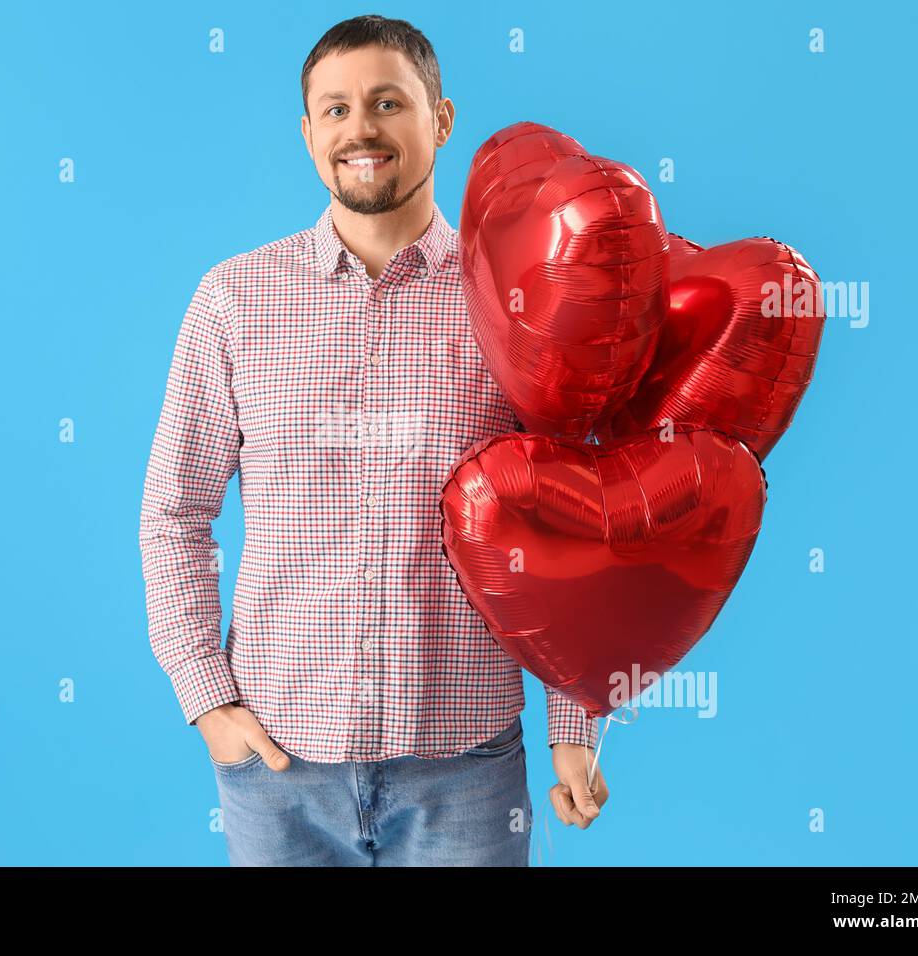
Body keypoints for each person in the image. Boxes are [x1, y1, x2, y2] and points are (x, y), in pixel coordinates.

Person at [139, 14, 608, 866]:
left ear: (441, 118)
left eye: (388, 103)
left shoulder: (512, 305)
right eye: (336, 109)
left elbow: (565, 522)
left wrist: (573, 721)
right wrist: (207, 700)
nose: (361, 129)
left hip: (464, 768)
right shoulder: (233, 301)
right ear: (309, 131)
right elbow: (174, 513)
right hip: (277, 769)